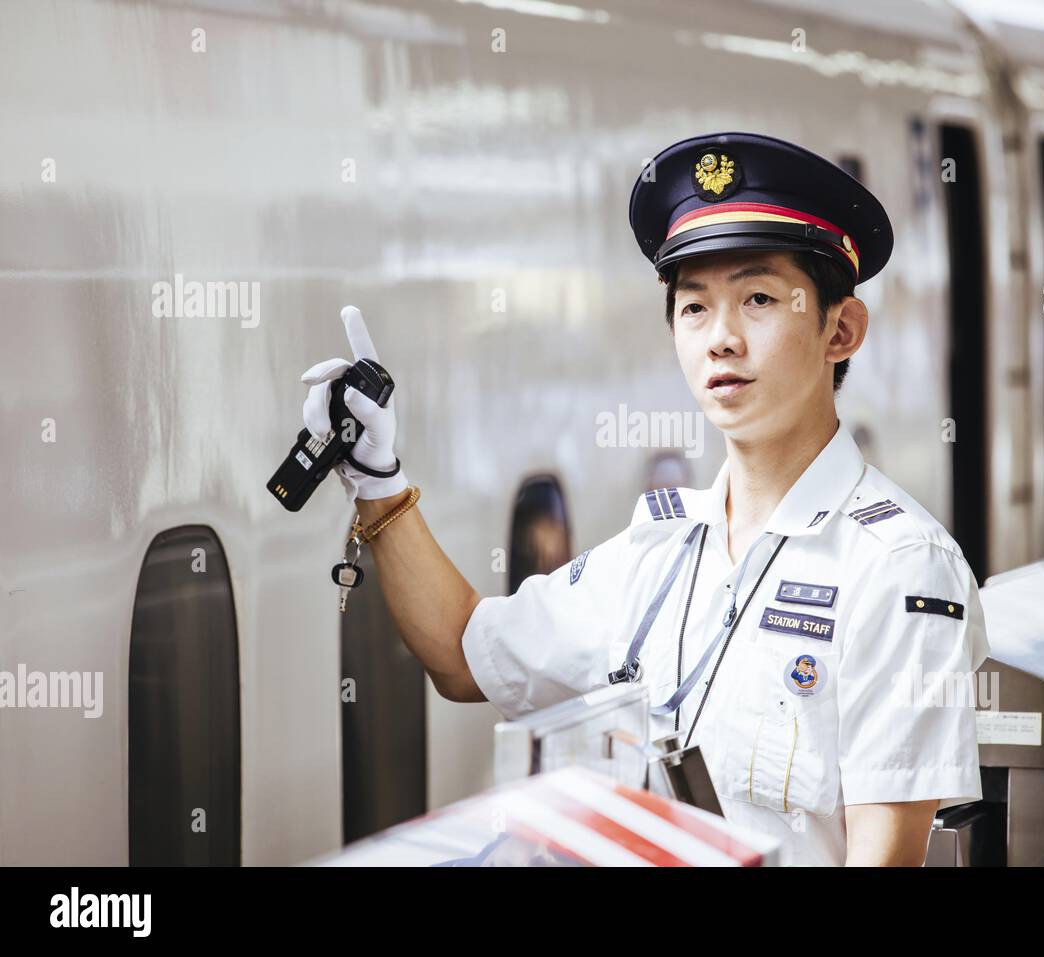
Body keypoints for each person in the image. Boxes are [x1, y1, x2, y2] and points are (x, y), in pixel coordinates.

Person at [299, 132, 989, 866]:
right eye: (694, 309)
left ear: (839, 330)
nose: (720, 338)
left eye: (757, 298)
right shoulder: (658, 553)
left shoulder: (900, 569)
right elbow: (465, 654)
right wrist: (377, 481)